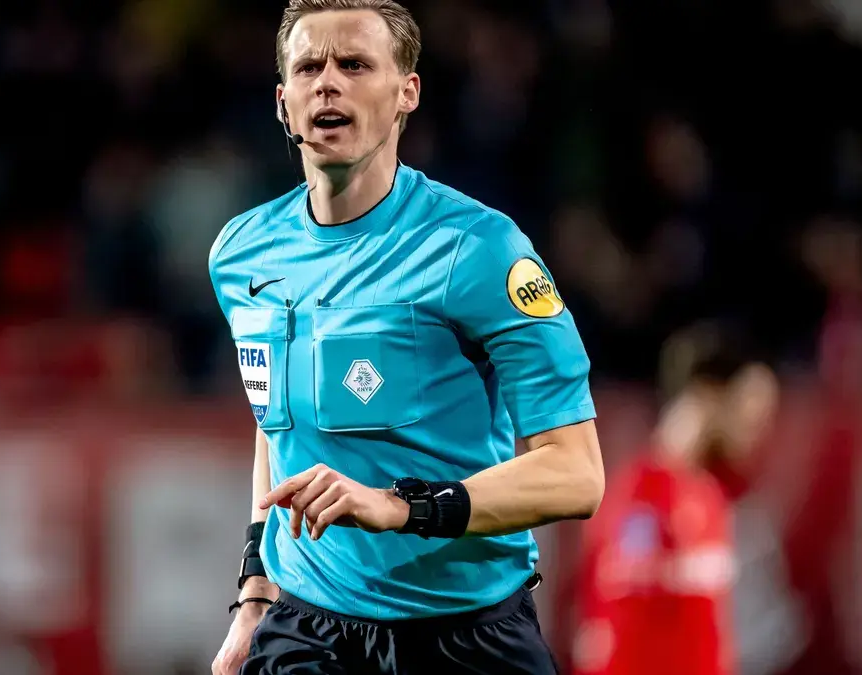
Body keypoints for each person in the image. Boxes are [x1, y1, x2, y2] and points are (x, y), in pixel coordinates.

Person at [207, 1, 605, 673]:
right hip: (308, 628)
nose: (328, 83)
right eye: (308, 68)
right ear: (283, 102)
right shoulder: (241, 253)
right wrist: (255, 594)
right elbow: (276, 424)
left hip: (467, 635)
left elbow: (576, 474)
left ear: (406, 93)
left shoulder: (479, 249)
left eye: (354, 64)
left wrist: (402, 507)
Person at [569, 320, 779, 675]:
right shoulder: (639, 498)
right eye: (753, 407)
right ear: (710, 394)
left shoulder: (713, 499)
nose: (759, 430)